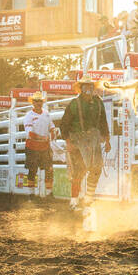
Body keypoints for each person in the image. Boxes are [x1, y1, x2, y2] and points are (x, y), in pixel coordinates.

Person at [58, 76, 110, 210]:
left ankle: (88, 198)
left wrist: (107, 140)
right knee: (79, 171)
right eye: (86, 86)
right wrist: (68, 142)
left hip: (93, 139)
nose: (89, 89)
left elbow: (103, 122)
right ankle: (74, 202)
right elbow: (64, 124)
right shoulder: (74, 104)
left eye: (91, 86)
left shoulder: (99, 103)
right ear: (81, 88)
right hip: (77, 140)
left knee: (96, 168)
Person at [20, 92, 59, 199]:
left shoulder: (46, 113)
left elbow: (51, 126)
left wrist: (53, 131)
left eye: (40, 101)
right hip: (32, 147)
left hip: (44, 147)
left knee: (49, 169)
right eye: (36, 101)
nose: (38, 103)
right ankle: (31, 194)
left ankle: (49, 193)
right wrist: (42, 137)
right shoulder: (29, 116)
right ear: (33, 102)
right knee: (32, 170)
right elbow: (29, 133)